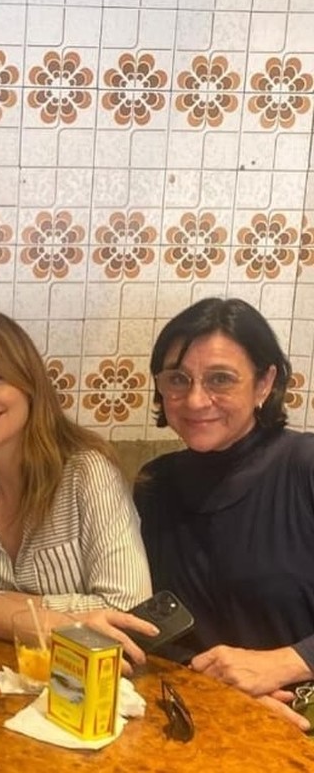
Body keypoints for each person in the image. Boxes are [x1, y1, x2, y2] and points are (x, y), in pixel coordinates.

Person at [0, 309, 155, 664]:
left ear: (28, 383)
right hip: (0, 681)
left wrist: (5, 608)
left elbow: (126, 608)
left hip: (87, 682)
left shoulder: (88, 471)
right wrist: (50, 622)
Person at [136, 297, 314, 731]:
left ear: (264, 383)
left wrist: (287, 663)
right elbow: (150, 621)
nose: (196, 400)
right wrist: (214, 682)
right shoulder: (154, 485)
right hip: (204, 716)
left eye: (220, 379)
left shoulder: (305, 465)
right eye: (178, 379)